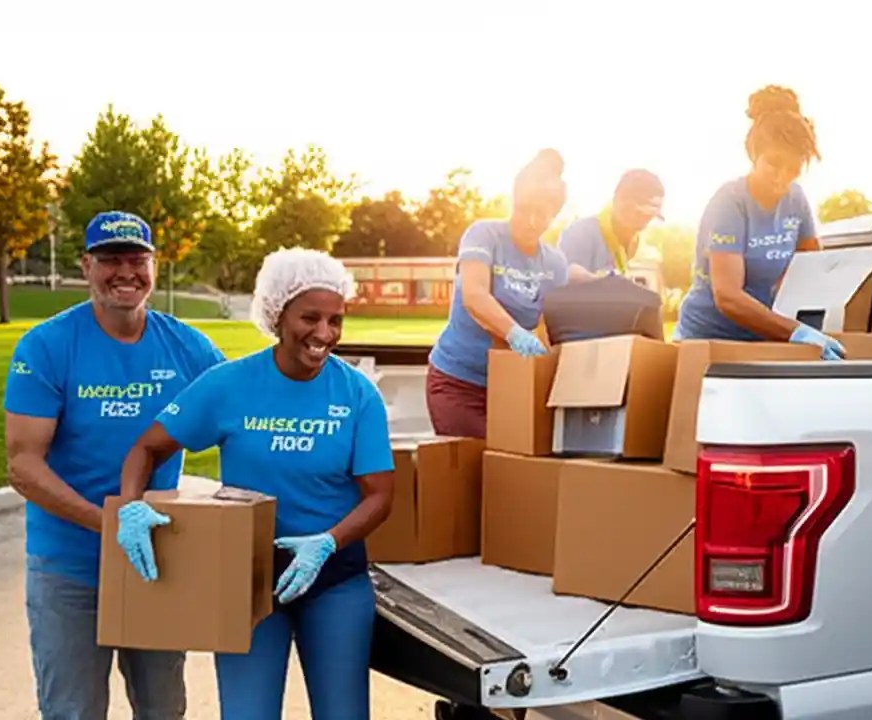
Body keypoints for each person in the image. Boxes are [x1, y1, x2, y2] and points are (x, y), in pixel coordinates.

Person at [114, 247, 395, 720]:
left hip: (334, 579)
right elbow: (147, 447)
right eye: (310, 317)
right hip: (248, 578)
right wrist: (131, 506)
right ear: (277, 314)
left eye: (335, 320)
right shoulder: (230, 384)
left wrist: (327, 543)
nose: (324, 334)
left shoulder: (357, 393)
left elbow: (381, 494)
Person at [2, 210, 227, 719]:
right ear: (86, 266)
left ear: (154, 266)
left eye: (136, 259)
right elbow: (23, 464)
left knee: (163, 708)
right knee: (73, 711)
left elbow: (241, 415)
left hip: (157, 561)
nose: (125, 272)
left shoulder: (188, 347)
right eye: (110, 260)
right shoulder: (47, 346)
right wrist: (109, 523)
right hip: (69, 568)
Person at [673, 85, 846, 361]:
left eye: (793, 168)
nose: (781, 177)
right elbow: (727, 296)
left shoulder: (796, 199)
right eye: (774, 164)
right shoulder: (730, 202)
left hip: (765, 338)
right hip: (709, 338)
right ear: (754, 155)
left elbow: (809, 268)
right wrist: (796, 332)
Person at [425, 149, 572, 438]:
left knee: (509, 470)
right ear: (513, 202)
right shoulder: (484, 235)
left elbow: (550, 326)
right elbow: (475, 295)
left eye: (542, 214)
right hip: (459, 382)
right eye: (524, 209)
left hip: (509, 387)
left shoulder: (555, 264)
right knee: (472, 468)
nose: (531, 221)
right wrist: (515, 334)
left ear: (553, 216)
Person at [558, 168, 665, 279]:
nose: (642, 225)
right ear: (618, 202)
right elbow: (565, 277)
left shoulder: (642, 248)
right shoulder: (580, 233)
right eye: (639, 215)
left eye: (649, 218)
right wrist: (607, 284)